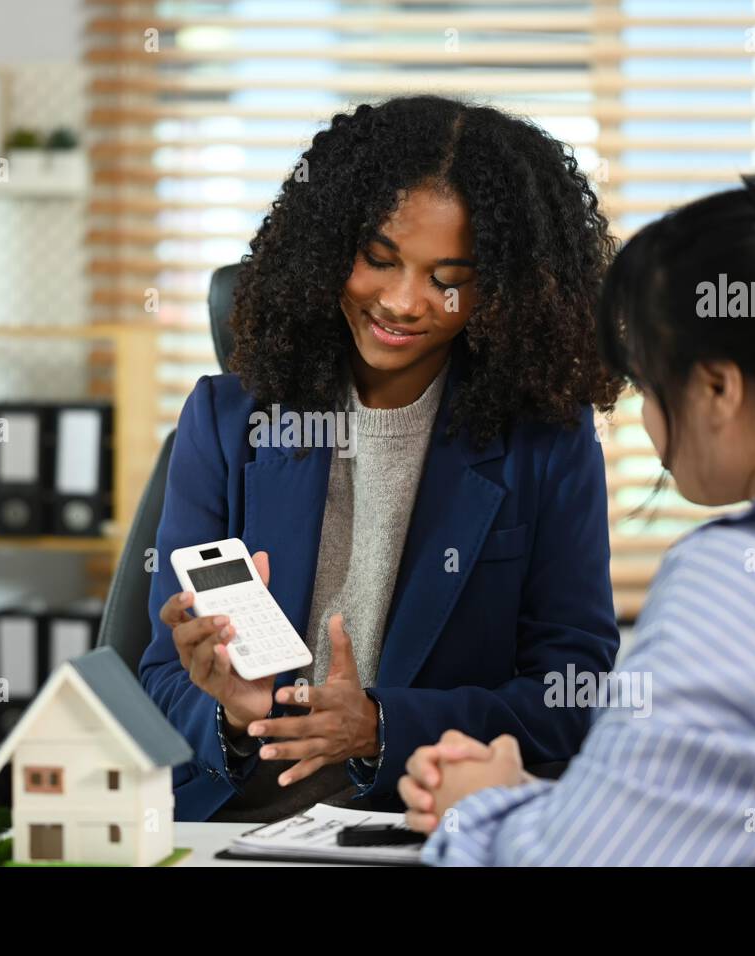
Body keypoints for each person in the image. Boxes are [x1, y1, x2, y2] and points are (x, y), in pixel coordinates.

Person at [400, 170, 755, 865]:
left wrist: (473, 806)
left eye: (647, 382)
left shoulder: (753, 587)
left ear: (718, 388)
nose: (649, 416)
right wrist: (529, 796)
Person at [142, 95, 623, 822]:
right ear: (330, 246)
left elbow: (573, 690)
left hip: (417, 823)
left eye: (447, 278)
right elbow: (155, 677)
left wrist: (381, 726)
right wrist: (231, 716)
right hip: (230, 823)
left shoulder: (545, 442)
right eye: (379, 259)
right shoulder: (226, 420)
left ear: (499, 290)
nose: (403, 302)